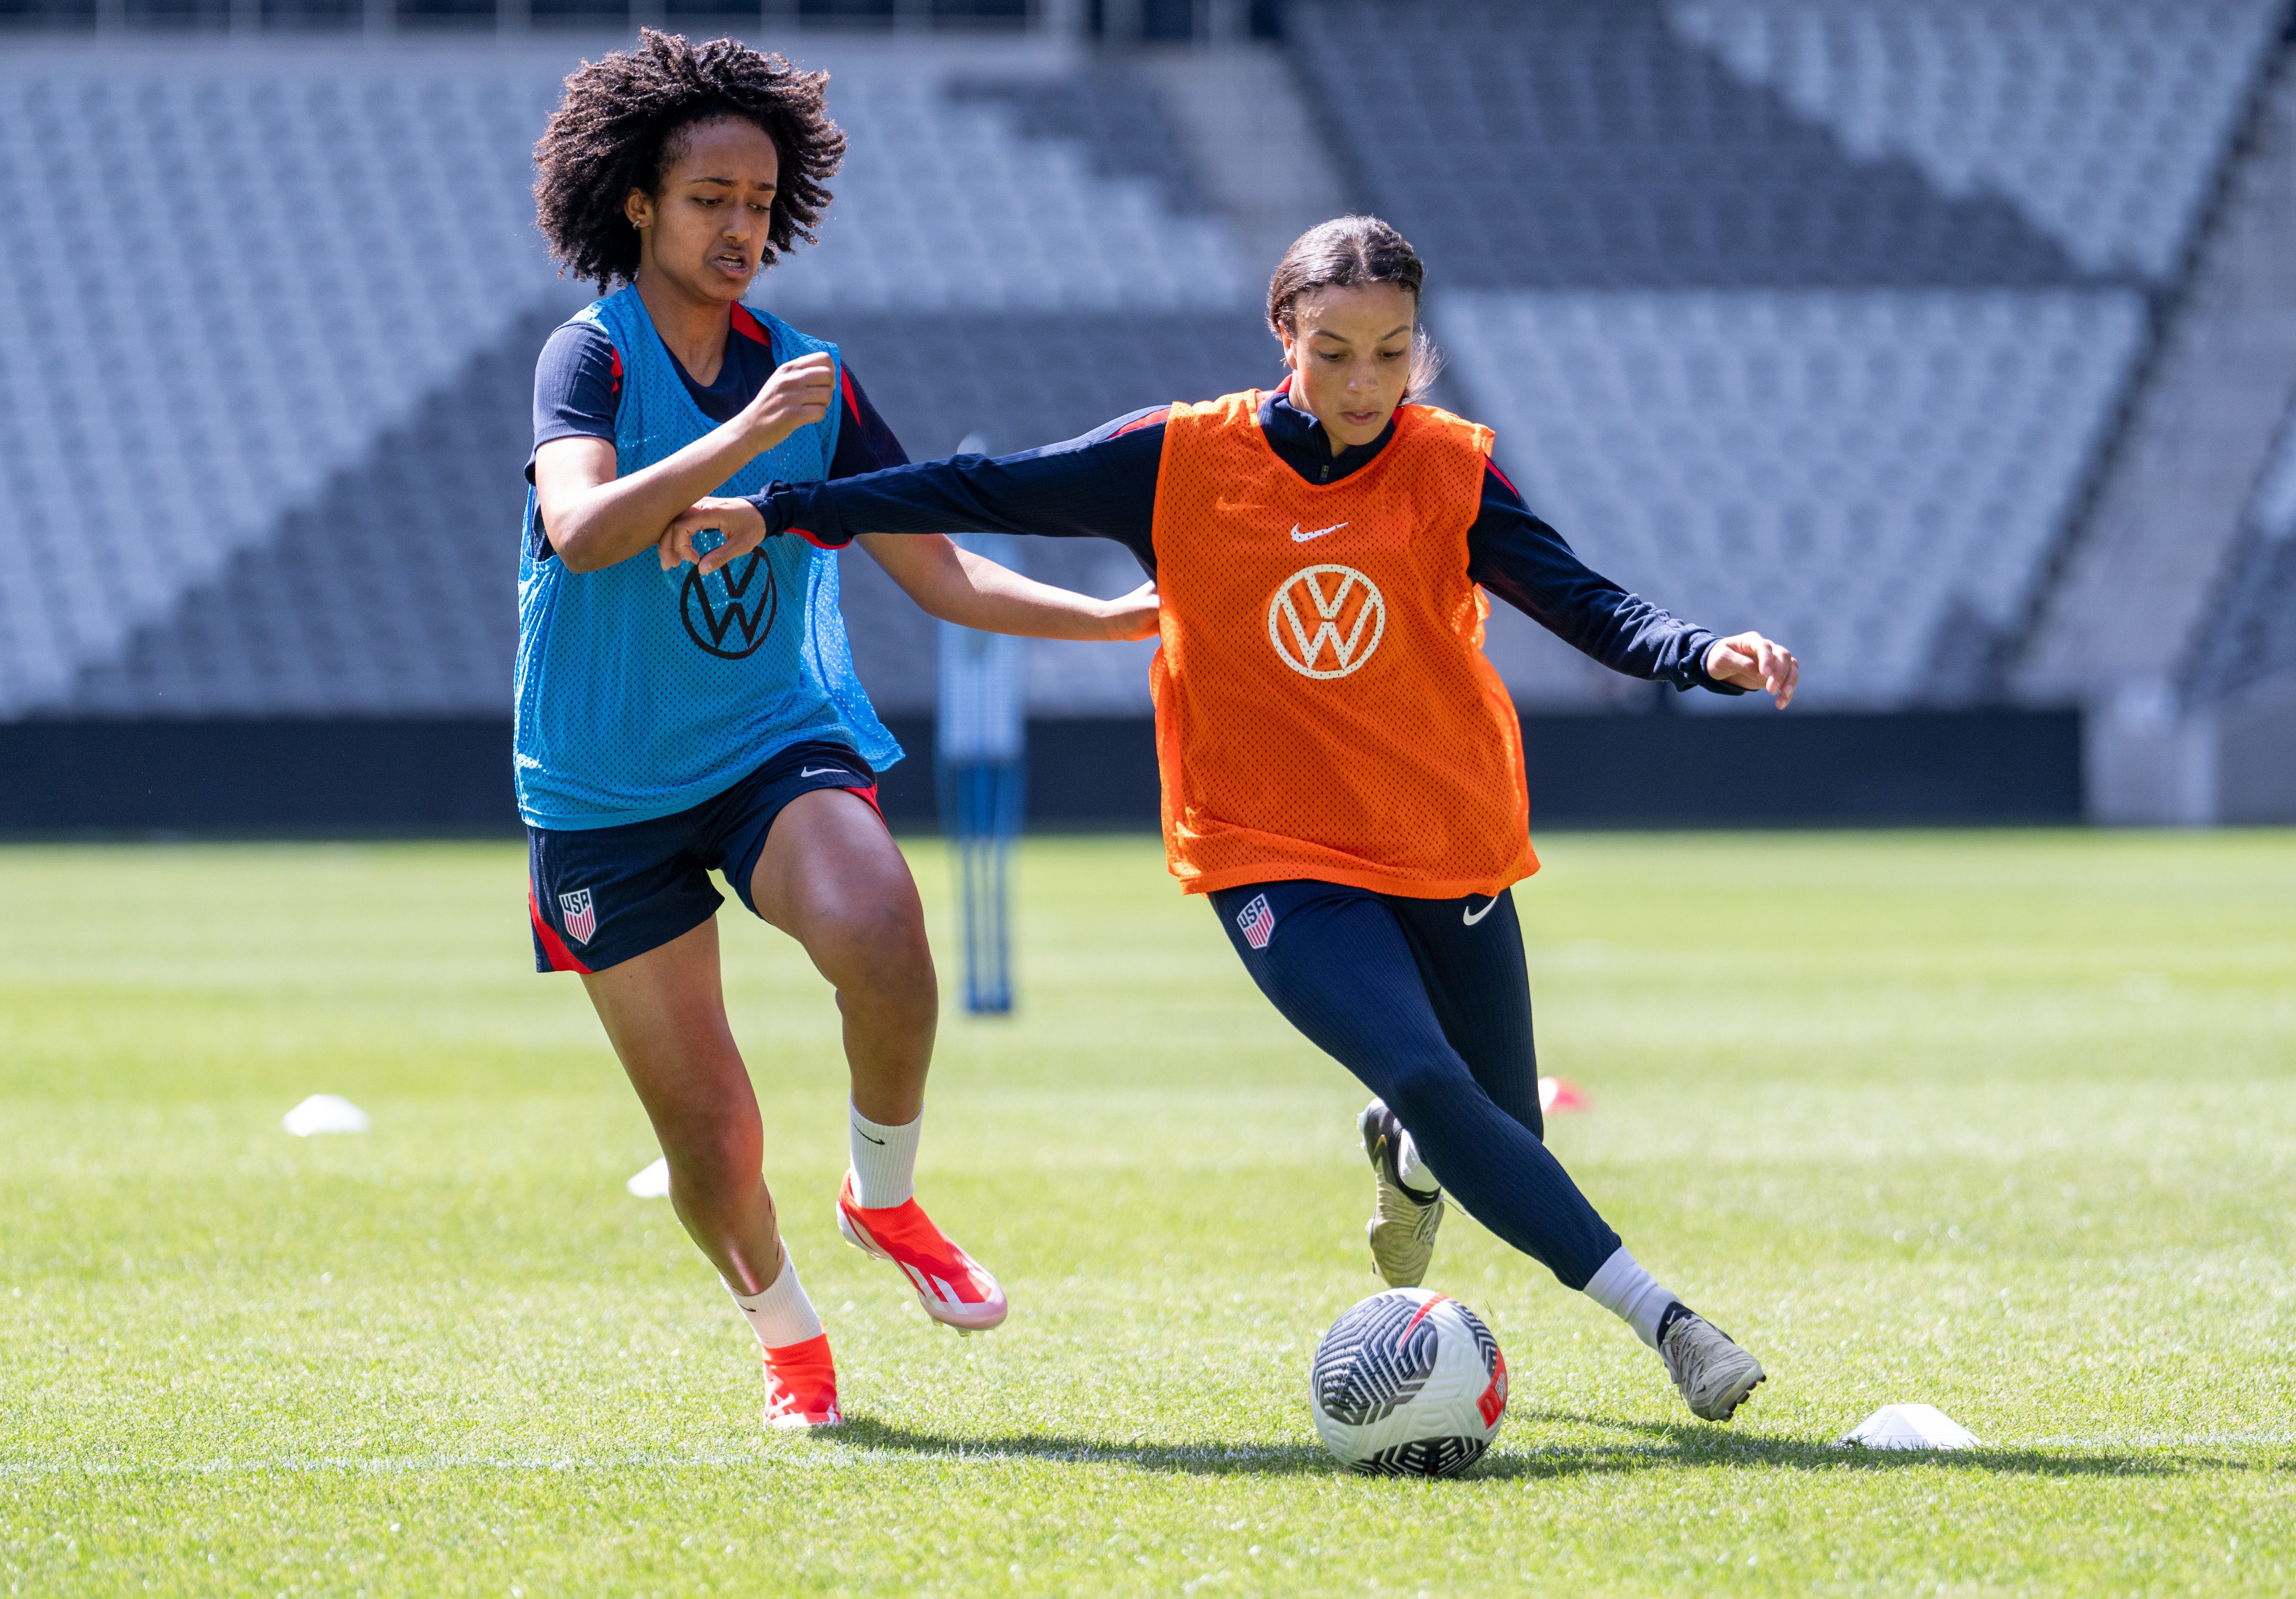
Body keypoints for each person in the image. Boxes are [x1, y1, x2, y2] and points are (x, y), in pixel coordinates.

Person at [667, 215, 1799, 1424]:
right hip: (1269, 847)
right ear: (1284, 337)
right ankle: (1667, 1322)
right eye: (1334, 351)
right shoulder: (1177, 456)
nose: (1364, 383)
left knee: (1490, 1126)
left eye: (1392, 353)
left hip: (1443, 832)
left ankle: (1411, 1151)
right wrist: (782, 508)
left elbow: (1582, 600)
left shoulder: (1451, 466)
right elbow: (981, 486)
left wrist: (1696, 653)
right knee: (1423, 1066)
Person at [519, 31, 1158, 1430]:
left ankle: (884, 1191)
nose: (742, 226)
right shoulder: (591, 359)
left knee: (881, 923)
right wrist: (746, 436)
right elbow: (582, 531)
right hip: (602, 784)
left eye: (760, 199)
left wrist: (1111, 623)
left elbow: (941, 571)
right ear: (637, 201)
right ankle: (789, 1334)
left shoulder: (813, 373)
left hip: (769, 739)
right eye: (709, 200)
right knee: (711, 1133)